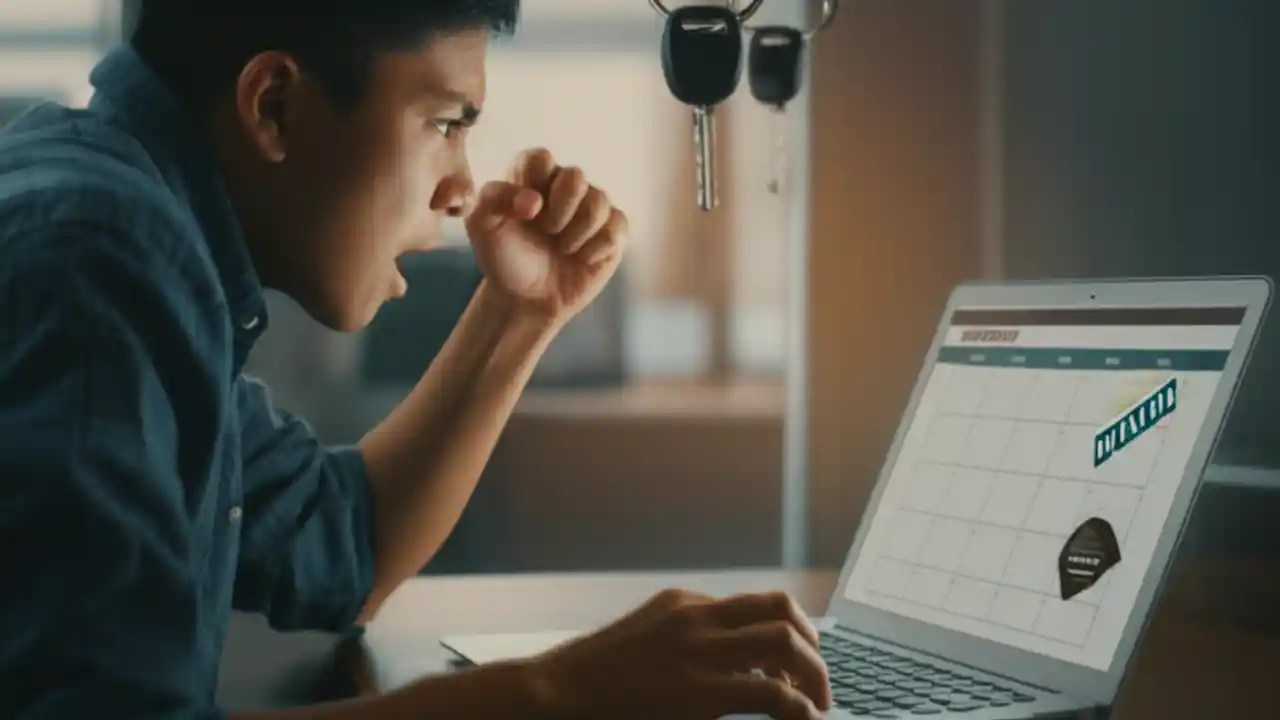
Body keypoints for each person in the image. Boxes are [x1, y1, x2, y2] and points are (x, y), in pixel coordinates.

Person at [0, 1, 831, 718]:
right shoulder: (94, 265)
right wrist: (557, 695)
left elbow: (345, 545)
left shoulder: (133, 233)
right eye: (446, 123)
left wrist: (521, 311)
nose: (462, 188)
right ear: (275, 106)